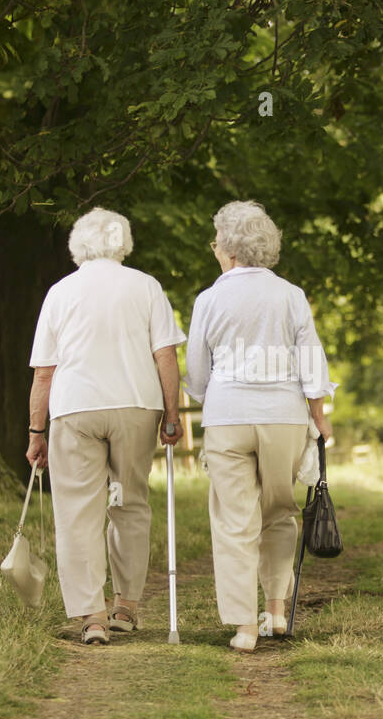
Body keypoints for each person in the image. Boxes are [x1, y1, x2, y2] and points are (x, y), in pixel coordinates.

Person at [25, 208, 185, 645]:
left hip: (76, 407)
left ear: (78, 244)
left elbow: (44, 372)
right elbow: (165, 356)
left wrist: (36, 432)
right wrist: (172, 414)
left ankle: (92, 617)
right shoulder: (146, 285)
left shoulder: (61, 291)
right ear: (124, 242)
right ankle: (126, 607)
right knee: (130, 503)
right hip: (136, 405)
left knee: (77, 512)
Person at [186, 201, 334, 653]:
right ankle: (275, 610)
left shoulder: (209, 299)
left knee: (234, 521)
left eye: (216, 243)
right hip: (283, 416)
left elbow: (196, 371)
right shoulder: (290, 294)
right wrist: (319, 417)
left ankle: (244, 627)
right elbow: (310, 357)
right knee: (279, 511)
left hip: (228, 415)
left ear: (229, 249)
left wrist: (209, 395)